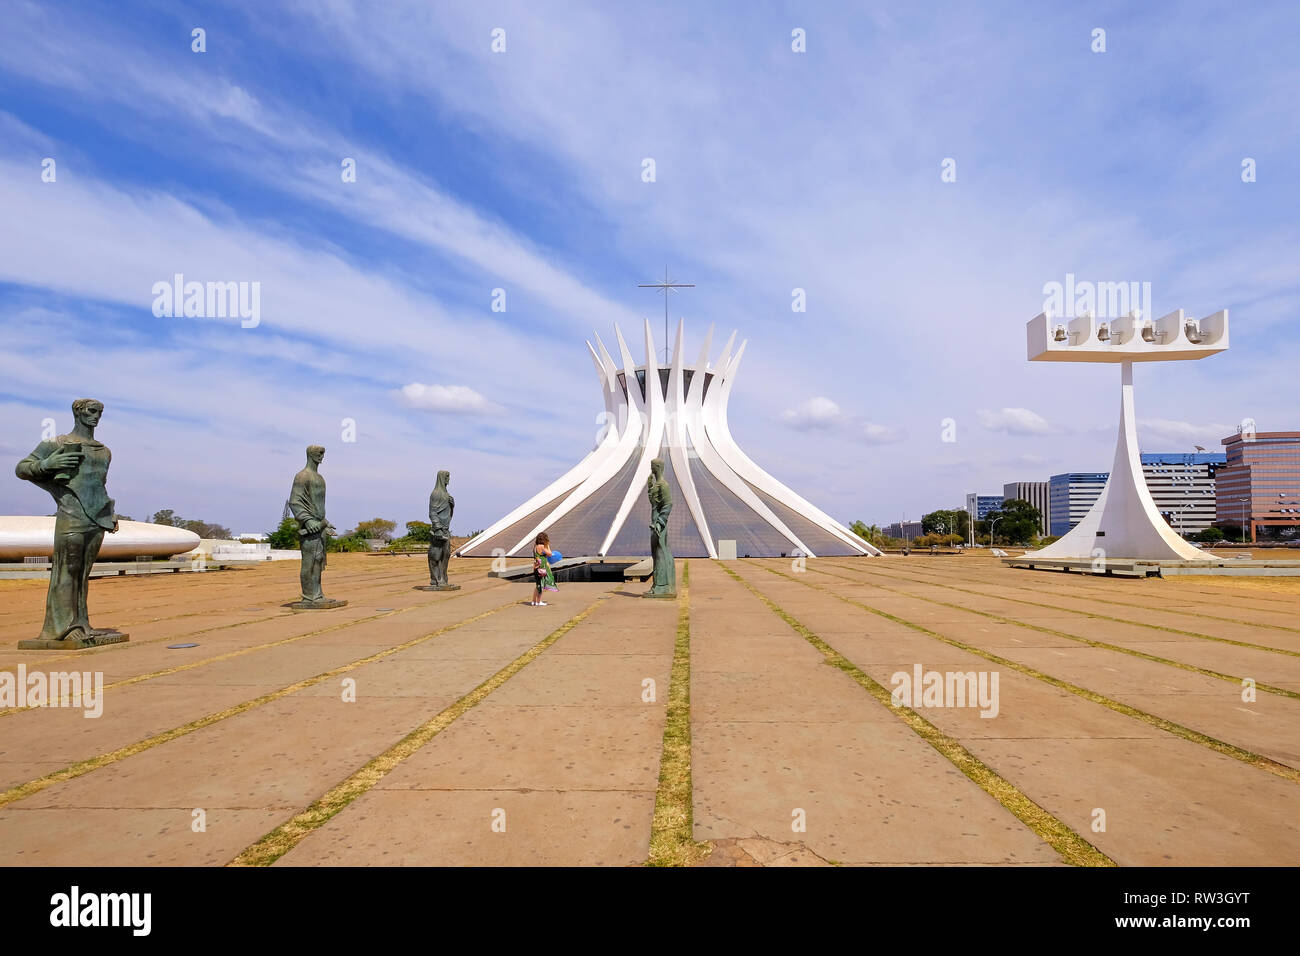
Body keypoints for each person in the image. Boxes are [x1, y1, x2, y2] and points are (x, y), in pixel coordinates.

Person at [14, 398, 119, 642]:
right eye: (92, 411)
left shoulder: (104, 451)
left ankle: (81, 625)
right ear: (78, 412)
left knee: (82, 574)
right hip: (71, 517)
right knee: (66, 572)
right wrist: (47, 464)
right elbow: (22, 468)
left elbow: (98, 484)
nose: (97, 417)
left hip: (97, 519)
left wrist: (109, 512)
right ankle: (61, 629)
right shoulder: (57, 443)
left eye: (100, 412)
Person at [531, 532, 555, 606]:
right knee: (541, 585)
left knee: (537, 584)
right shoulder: (542, 546)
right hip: (542, 568)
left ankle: (534, 601)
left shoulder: (535, 546)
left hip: (536, 567)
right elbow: (550, 553)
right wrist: (547, 545)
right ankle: (539, 601)